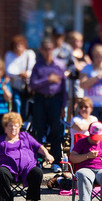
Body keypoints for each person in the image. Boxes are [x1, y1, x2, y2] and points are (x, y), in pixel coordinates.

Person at [0, 111, 54, 201]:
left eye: (16, 126)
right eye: (10, 126)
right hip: (8, 168)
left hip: (28, 168)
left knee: (38, 172)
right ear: (5, 127)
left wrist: (47, 154)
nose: (13, 128)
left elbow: (38, 146)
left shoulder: (26, 136)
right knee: (1, 172)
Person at [28, 39, 67, 172]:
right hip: (40, 99)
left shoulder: (59, 65)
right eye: (45, 49)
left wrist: (63, 106)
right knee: (39, 130)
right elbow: (32, 84)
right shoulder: (38, 65)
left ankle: (56, 161)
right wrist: (47, 80)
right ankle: (38, 160)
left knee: (56, 130)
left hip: (55, 100)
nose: (48, 51)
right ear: (41, 50)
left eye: (50, 49)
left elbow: (64, 87)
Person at [4, 35, 36, 118]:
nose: (18, 48)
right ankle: (17, 121)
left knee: (26, 107)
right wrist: (19, 74)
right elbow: (9, 70)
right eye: (16, 46)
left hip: (26, 87)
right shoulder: (9, 55)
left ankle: (24, 124)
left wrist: (27, 74)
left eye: (20, 45)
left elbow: (32, 69)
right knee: (16, 103)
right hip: (14, 86)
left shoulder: (29, 54)